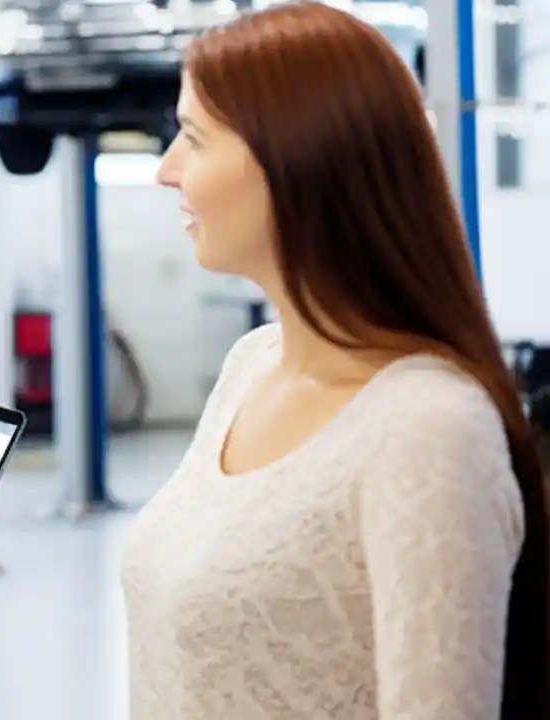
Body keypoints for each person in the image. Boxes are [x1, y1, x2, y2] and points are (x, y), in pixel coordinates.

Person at [121, 3, 548, 718]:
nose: (167, 170)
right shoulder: (251, 366)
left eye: (192, 138)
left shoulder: (427, 430)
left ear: (296, 159)